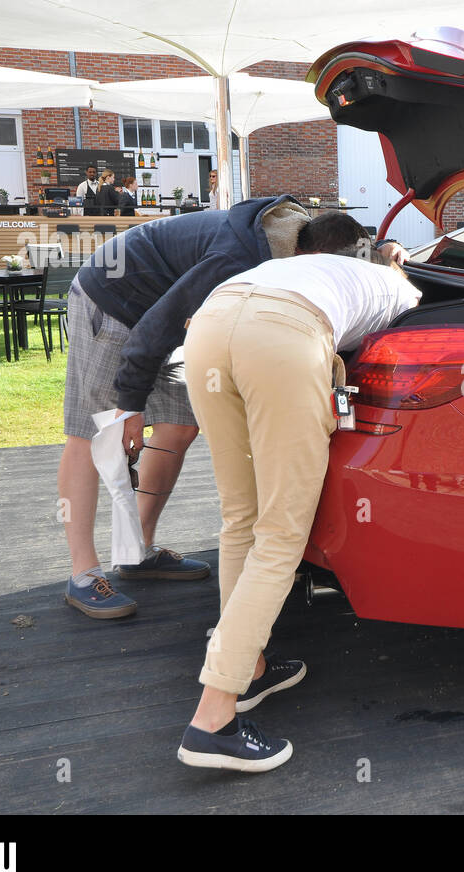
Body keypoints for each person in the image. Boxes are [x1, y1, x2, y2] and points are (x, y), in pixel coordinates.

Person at [58, 197, 408, 620]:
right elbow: (155, 328)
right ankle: (82, 574)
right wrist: (130, 404)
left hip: (163, 312)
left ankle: (135, 551)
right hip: (115, 298)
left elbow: (345, 241)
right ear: (309, 256)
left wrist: (384, 247)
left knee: (180, 426)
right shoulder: (237, 259)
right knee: (96, 434)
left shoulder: (303, 239)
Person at [176, 213, 421, 772]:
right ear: (380, 254)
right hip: (284, 337)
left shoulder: (296, 265)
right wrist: (398, 269)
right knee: (281, 536)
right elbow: (411, 325)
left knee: (241, 518)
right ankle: (212, 718)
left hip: (211, 325)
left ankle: (249, 668)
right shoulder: (393, 281)